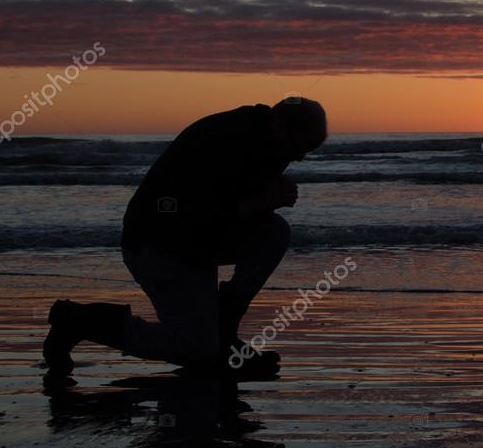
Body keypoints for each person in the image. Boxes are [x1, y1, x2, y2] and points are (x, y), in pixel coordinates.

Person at [43, 97, 328, 376]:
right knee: (198, 351)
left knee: (274, 232)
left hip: (194, 241)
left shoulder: (262, 139)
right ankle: (78, 321)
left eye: (308, 150)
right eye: (299, 146)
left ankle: (225, 331)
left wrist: (267, 197)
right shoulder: (228, 142)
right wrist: (262, 201)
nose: (300, 156)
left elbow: (228, 205)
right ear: (280, 126)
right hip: (158, 244)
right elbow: (200, 211)